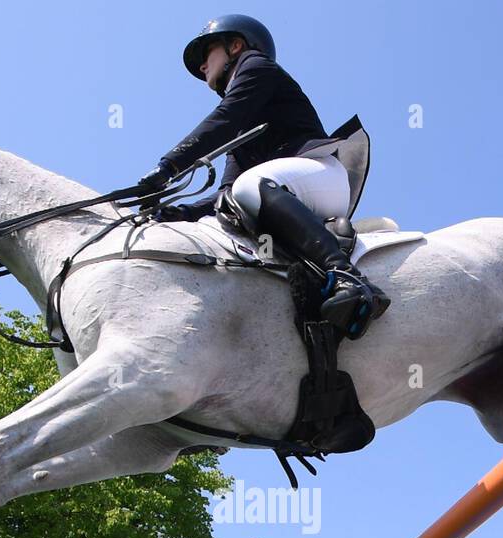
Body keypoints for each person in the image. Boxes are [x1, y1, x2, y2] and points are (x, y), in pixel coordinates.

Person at [133, 14, 389, 339]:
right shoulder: (241, 129)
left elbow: (223, 120)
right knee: (227, 209)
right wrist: (179, 213)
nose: (201, 66)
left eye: (207, 53)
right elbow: (225, 194)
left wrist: (169, 167)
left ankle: (347, 276)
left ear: (236, 46)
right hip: (285, 188)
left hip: (323, 176)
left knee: (249, 186)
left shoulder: (257, 68)